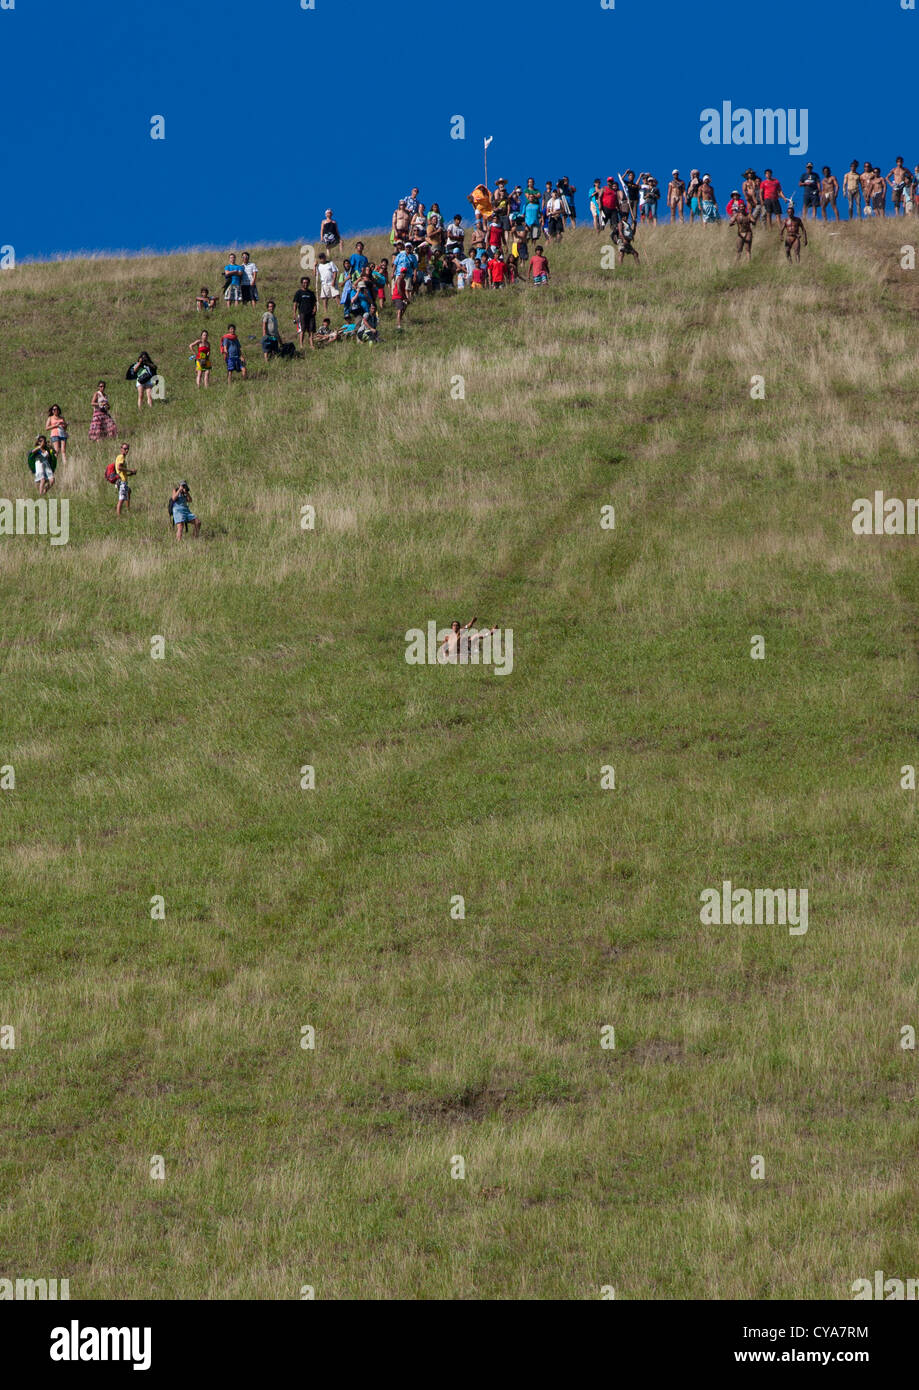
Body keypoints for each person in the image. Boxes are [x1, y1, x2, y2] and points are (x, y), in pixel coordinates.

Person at [293, 276, 317, 348]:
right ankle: (301, 345)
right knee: (302, 329)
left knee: (311, 329)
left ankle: (311, 345)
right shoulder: (298, 293)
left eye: (307, 283)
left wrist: (315, 309)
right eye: (304, 283)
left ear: (309, 283)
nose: (305, 284)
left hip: (311, 314)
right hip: (302, 313)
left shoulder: (311, 293)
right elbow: (295, 303)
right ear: (301, 283)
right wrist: (294, 313)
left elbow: (314, 303)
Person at [114, 442, 135, 516]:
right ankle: (119, 516)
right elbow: (119, 467)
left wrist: (130, 474)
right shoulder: (121, 457)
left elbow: (121, 471)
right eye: (125, 449)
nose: (127, 450)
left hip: (123, 480)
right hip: (122, 481)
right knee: (121, 499)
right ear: (121, 449)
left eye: (127, 449)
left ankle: (128, 509)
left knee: (129, 491)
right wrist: (130, 470)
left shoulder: (121, 457)